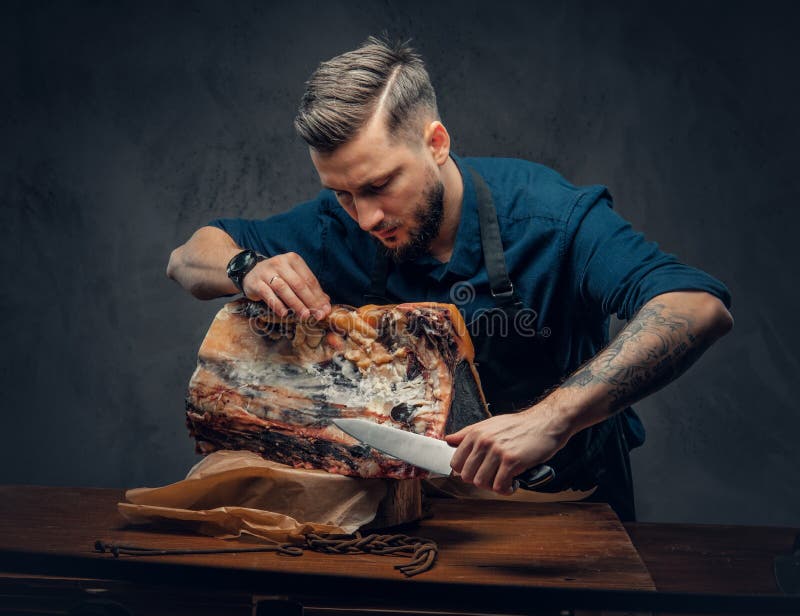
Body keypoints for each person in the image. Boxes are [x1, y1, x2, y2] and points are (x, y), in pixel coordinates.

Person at [167, 36, 733, 521]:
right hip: (420, 519)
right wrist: (245, 267)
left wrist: (551, 419)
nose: (365, 218)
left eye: (380, 185)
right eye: (342, 193)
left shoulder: (549, 217)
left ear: (436, 143)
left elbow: (695, 306)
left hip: (567, 505)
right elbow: (188, 258)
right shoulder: (333, 225)